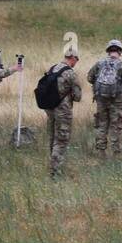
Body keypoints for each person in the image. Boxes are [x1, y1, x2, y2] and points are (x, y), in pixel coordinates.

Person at [86, 39, 122, 157]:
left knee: (102, 123)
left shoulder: (99, 63)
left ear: (108, 51)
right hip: (117, 100)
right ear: (120, 51)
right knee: (116, 125)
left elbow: (89, 78)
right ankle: (116, 152)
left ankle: (101, 152)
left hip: (101, 99)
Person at [46, 49, 83, 178]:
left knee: (52, 137)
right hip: (63, 110)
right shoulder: (70, 73)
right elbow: (78, 96)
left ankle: (52, 164)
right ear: (72, 58)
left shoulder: (52, 69)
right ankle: (55, 171)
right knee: (61, 139)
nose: (76, 63)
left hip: (50, 109)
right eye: (77, 60)